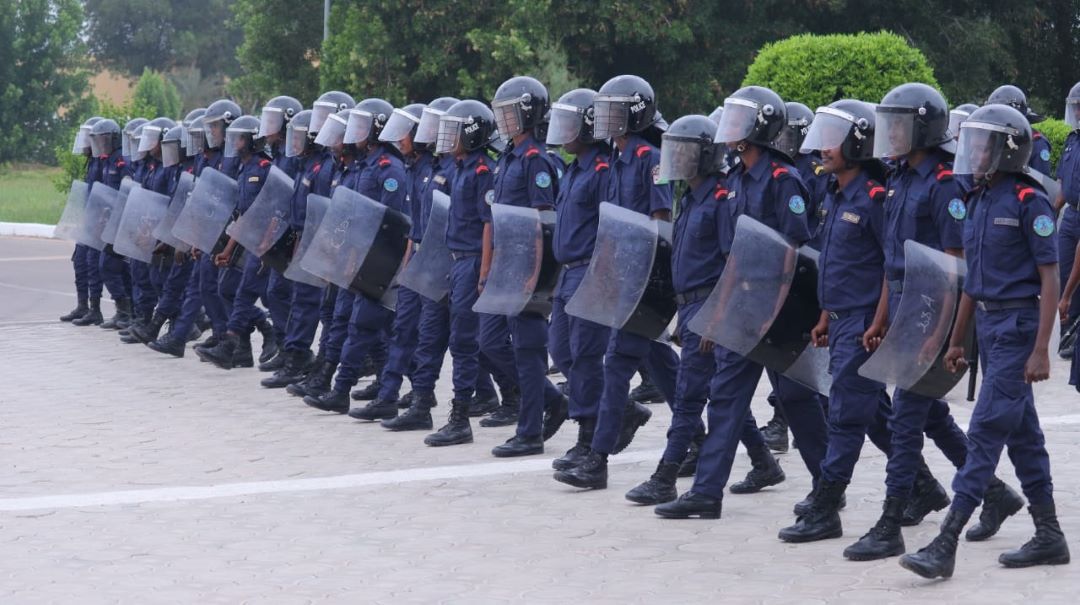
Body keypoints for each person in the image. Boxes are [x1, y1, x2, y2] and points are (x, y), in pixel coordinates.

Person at [846, 83, 1023, 555]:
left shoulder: (945, 184)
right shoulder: (900, 178)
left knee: (905, 419)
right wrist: (882, 319)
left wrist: (942, 337)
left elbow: (954, 267)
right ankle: (995, 493)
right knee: (933, 418)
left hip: (932, 311)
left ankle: (889, 524)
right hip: (904, 307)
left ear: (922, 128)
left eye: (900, 124)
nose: (891, 133)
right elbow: (892, 260)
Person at [900, 103, 1070, 579]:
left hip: (1017, 330)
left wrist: (1041, 349)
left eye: (983, 144)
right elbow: (972, 281)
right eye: (971, 143)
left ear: (1008, 151)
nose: (973, 152)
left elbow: (1049, 275)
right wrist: (958, 341)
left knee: (985, 432)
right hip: (990, 331)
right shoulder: (976, 199)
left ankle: (946, 539)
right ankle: (1050, 534)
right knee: (1024, 437)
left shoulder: (1026, 200)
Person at [653, 86, 826, 519]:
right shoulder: (733, 184)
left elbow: (798, 255)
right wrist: (719, 317)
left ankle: (828, 485)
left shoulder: (786, 181)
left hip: (782, 312)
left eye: (738, 120)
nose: (727, 129)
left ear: (757, 129)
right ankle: (707, 493)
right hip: (744, 310)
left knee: (795, 400)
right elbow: (733, 258)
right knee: (726, 397)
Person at [553, 74, 679, 489]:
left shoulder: (648, 158)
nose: (604, 119)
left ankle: (598, 456)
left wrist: (649, 284)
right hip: (619, 278)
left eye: (613, 111)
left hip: (642, 282)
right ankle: (719, 441)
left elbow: (660, 221)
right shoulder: (619, 158)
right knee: (655, 365)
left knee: (620, 365)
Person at [623, 113, 728, 505]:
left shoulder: (721, 200)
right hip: (690, 308)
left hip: (708, 307)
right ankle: (763, 460)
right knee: (718, 397)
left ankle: (665, 477)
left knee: (689, 397)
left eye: (683, 153)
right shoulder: (690, 198)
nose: (675, 160)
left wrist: (715, 318)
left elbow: (730, 265)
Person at [479, 75, 568, 457]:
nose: (505, 120)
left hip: (527, 273)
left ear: (529, 114)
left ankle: (529, 432)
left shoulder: (537, 160)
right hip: (505, 269)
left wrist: (534, 280)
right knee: (489, 342)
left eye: (511, 113)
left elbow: (543, 222)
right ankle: (554, 401)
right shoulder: (508, 160)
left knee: (529, 350)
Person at [545, 88, 615, 469]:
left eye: (571, 123)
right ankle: (619, 409)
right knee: (561, 349)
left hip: (590, 270)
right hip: (567, 273)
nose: (563, 131)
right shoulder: (573, 169)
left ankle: (588, 437)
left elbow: (610, 227)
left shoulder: (602, 169)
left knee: (586, 357)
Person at [197, 115, 275, 369]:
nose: (234, 142)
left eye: (239, 138)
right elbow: (242, 214)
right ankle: (245, 346)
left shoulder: (264, 168)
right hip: (245, 241)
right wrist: (229, 250)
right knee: (227, 289)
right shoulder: (244, 169)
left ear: (251, 140)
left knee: (254, 295)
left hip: (263, 244)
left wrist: (264, 245)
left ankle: (259, 339)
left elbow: (273, 210)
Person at [63, 117, 104, 324]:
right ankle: (83, 306)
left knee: (93, 264)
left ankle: (95, 310)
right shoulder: (91, 162)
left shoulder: (104, 161)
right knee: (79, 261)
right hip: (87, 221)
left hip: (98, 224)